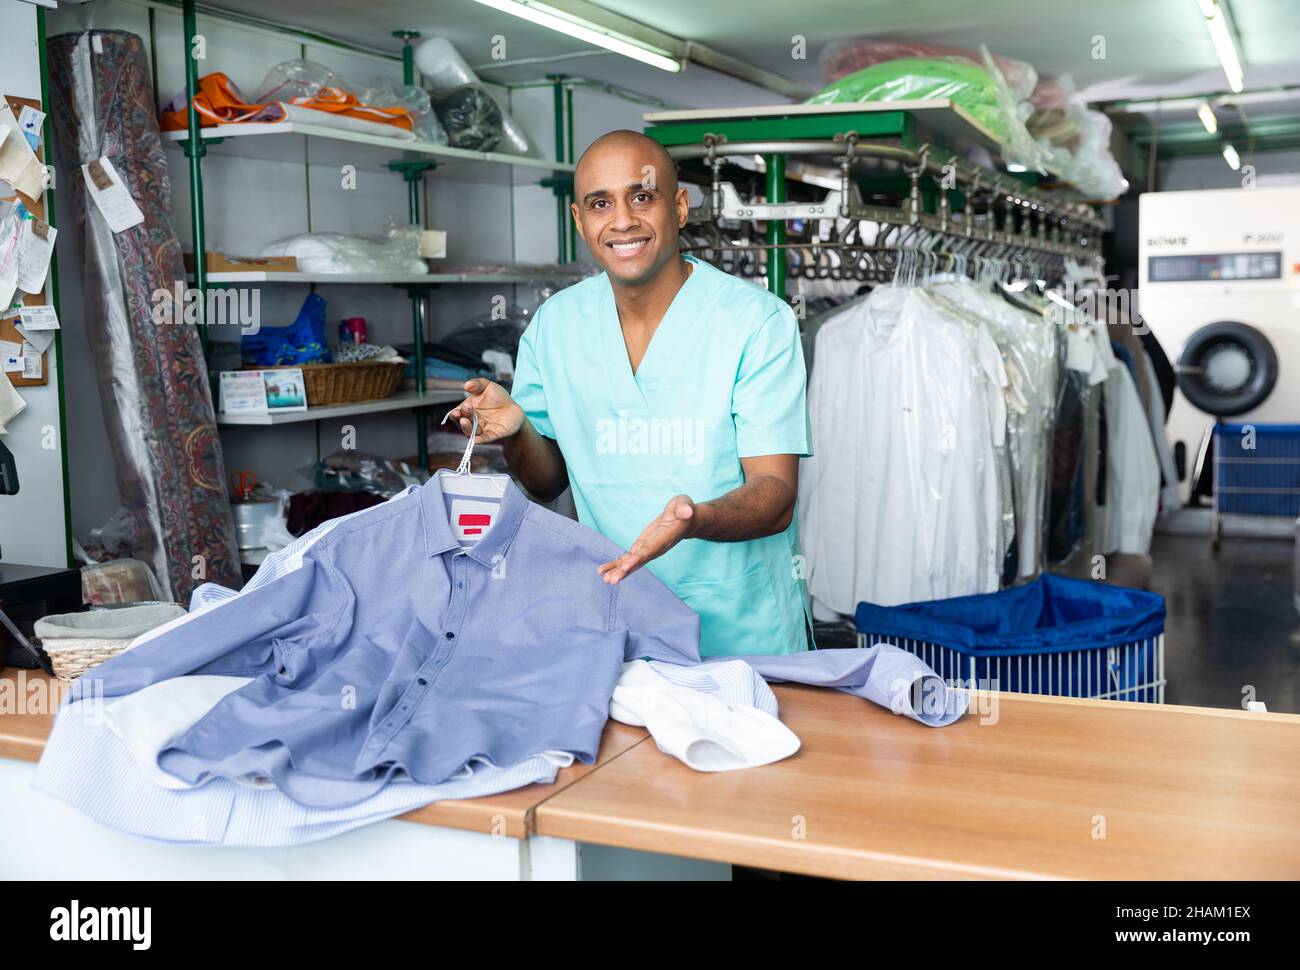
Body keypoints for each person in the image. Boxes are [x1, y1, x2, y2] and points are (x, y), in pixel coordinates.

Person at [447, 130, 811, 656]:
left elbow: (775, 495)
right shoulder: (555, 327)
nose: (622, 221)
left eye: (642, 196)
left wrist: (695, 520)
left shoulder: (756, 322)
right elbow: (546, 481)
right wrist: (518, 431)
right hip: (621, 619)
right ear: (579, 221)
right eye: (600, 204)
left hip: (744, 628)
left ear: (679, 207)